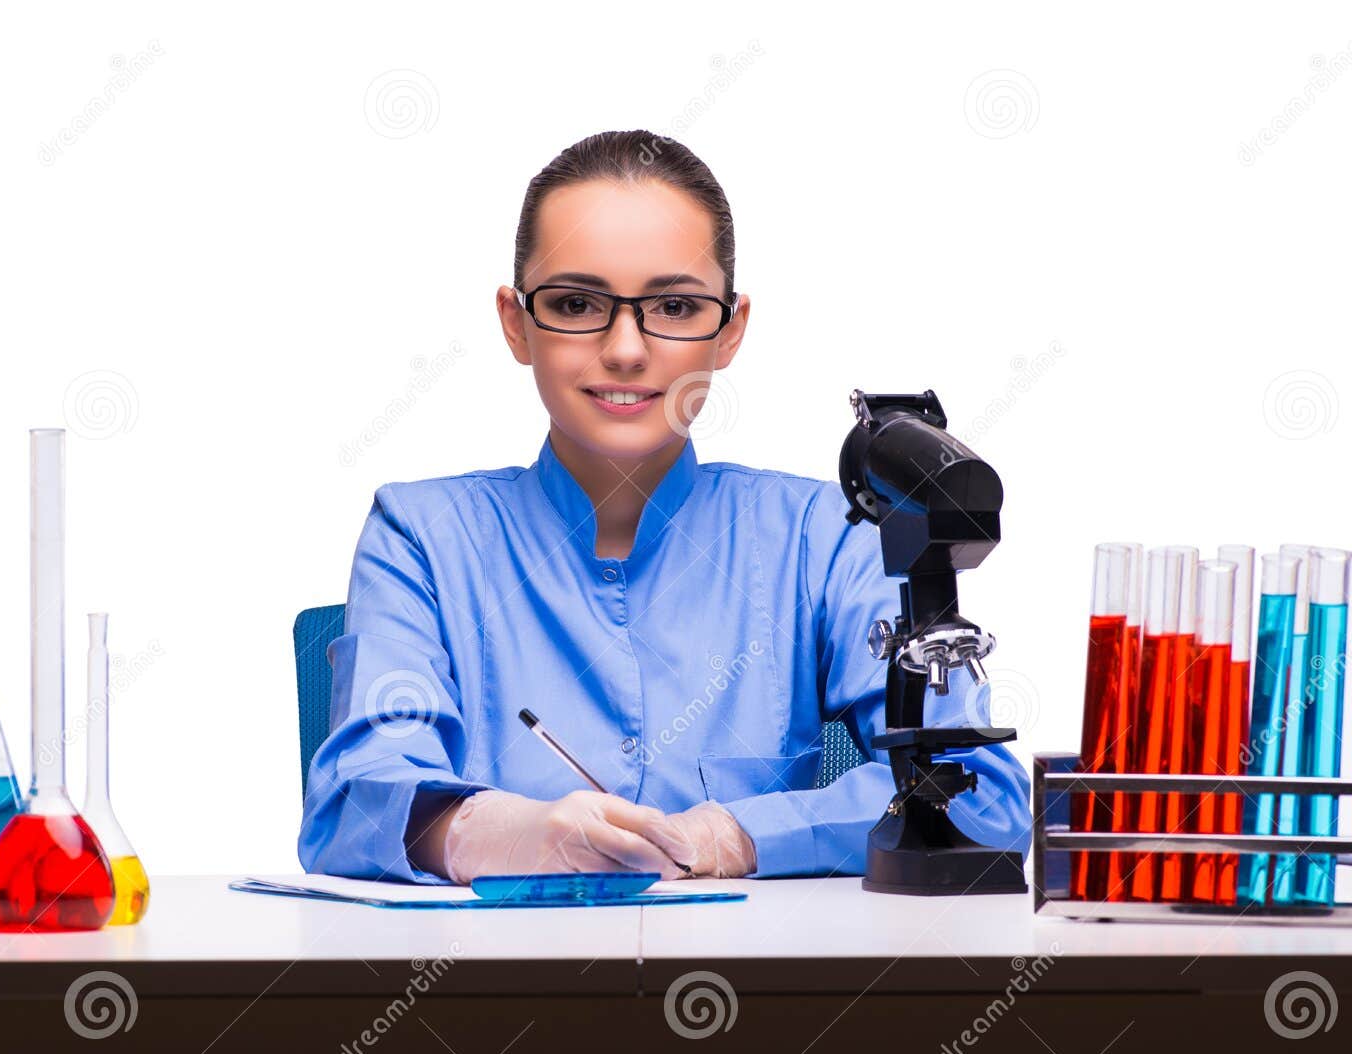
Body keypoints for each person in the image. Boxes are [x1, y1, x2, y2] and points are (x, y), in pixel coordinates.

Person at [298, 129, 1030, 883]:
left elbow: (983, 799)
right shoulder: (421, 536)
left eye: (675, 305)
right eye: (577, 302)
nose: (624, 349)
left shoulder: (825, 539)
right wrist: (495, 834)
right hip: (484, 993)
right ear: (516, 323)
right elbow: (354, 803)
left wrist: (740, 835)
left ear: (730, 328)